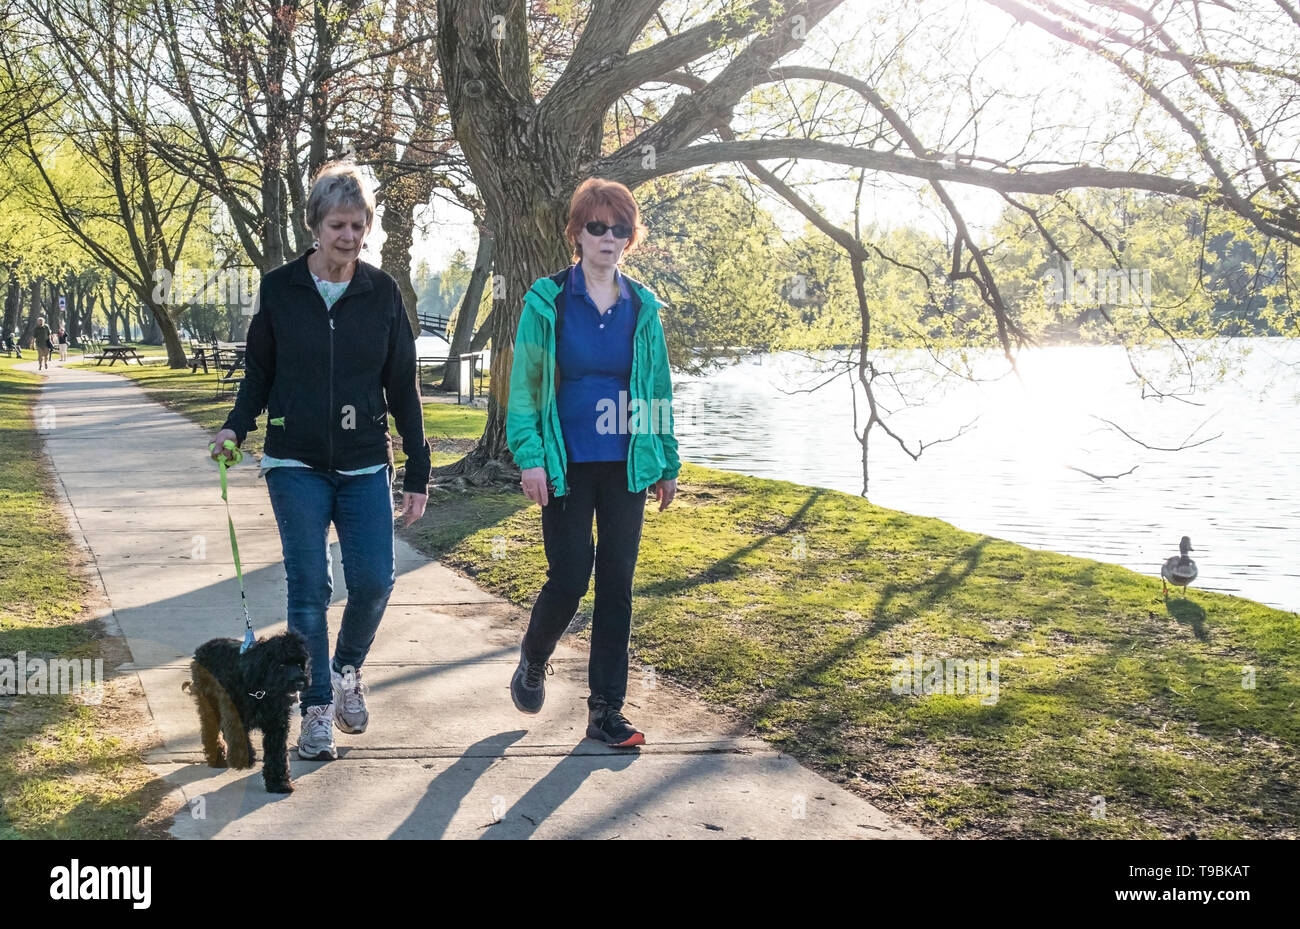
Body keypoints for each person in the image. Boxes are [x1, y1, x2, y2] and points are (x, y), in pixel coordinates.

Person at [210, 160, 431, 761]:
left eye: (359, 225)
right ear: (315, 226)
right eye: (338, 224)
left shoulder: (381, 292)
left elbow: (402, 386)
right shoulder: (281, 289)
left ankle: (346, 671)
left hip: (364, 462)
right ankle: (314, 711)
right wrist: (235, 427)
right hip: (295, 461)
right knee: (309, 586)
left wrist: (418, 468)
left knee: (374, 581)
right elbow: (260, 372)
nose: (350, 237)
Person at [505, 177, 680, 748]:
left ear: (631, 237)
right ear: (577, 233)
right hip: (566, 461)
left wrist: (665, 462)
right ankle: (534, 655)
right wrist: (530, 458)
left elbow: (656, 389)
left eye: (620, 228)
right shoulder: (548, 300)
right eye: (597, 226)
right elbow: (526, 388)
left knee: (617, 584)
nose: (609, 237)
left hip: (625, 464)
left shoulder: (642, 307)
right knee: (571, 575)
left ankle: (606, 710)